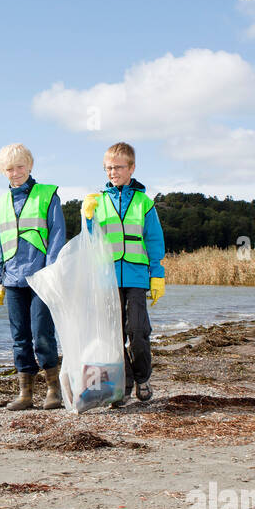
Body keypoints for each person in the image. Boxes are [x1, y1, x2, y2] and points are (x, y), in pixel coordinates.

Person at [82, 142, 165, 404]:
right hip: (107, 279)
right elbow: (91, 241)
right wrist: (86, 217)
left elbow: (153, 241)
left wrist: (157, 274)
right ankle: (123, 387)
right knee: (113, 335)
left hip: (137, 278)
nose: (112, 172)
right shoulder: (98, 201)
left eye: (118, 167)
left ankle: (142, 378)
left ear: (131, 167)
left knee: (138, 332)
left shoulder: (144, 202)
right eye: (108, 168)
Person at [0, 143, 66, 410]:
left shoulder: (48, 195)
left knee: (42, 334)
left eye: (20, 166)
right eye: (9, 169)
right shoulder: (1, 202)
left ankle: (54, 391)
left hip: (40, 278)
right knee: (19, 337)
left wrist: (51, 272)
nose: (15, 173)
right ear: (3, 171)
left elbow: (57, 235)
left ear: (30, 166)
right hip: (12, 280)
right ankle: (25, 394)